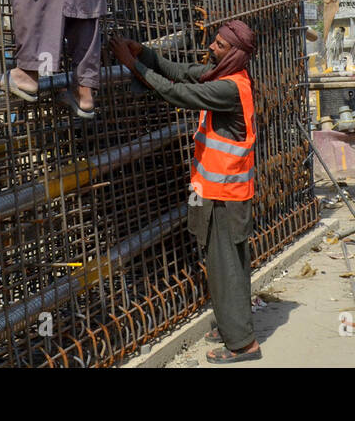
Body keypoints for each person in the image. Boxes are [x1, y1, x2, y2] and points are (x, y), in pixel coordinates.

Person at [109, 23, 262, 364]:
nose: (211, 46)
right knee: (226, 263)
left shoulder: (229, 89)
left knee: (226, 267)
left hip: (226, 195)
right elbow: (181, 71)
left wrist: (133, 66)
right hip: (218, 191)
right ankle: (233, 326)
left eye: (220, 44)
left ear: (234, 52)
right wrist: (144, 53)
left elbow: (176, 92)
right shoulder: (224, 74)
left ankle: (242, 344)